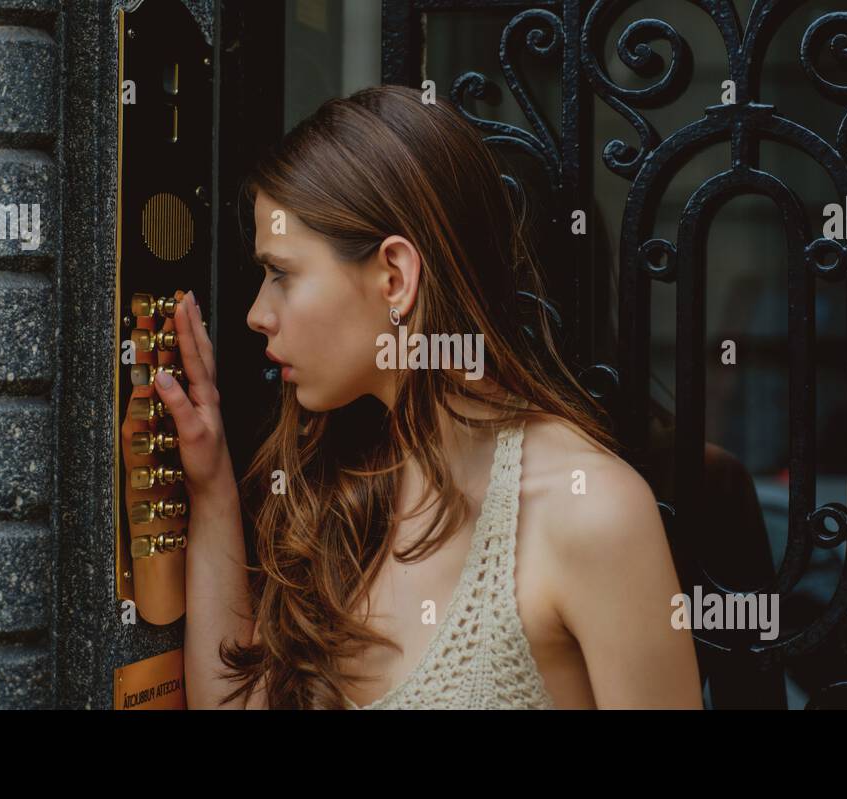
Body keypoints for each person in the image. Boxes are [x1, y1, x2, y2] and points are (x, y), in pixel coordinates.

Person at [157, 85, 702, 709]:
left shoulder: (592, 512)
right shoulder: (348, 488)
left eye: (281, 274)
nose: (257, 313)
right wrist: (212, 489)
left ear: (395, 276)